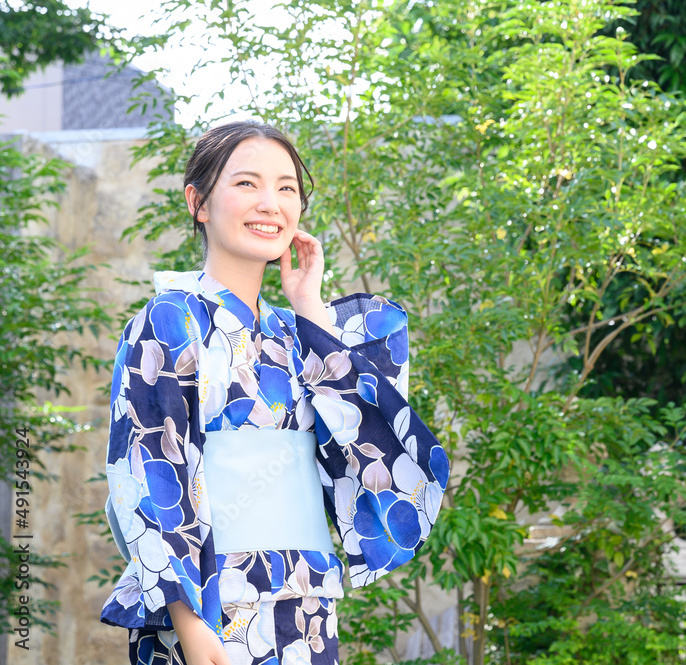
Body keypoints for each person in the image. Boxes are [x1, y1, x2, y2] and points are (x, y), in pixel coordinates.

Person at [100, 121, 450, 665]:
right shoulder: (170, 319)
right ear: (198, 202)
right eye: (246, 184)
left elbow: (367, 447)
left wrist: (308, 306)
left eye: (286, 188)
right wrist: (192, 629)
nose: (270, 203)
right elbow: (149, 469)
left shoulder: (302, 330)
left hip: (306, 601)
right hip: (209, 604)